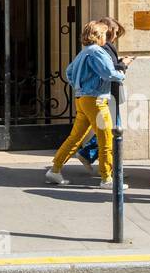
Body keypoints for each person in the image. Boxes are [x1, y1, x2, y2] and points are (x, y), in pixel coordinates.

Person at [45, 21, 131, 190]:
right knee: (106, 138)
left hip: (82, 99)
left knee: (75, 137)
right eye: (105, 35)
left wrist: (79, 86)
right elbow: (109, 74)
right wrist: (123, 70)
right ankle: (107, 178)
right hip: (96, 100)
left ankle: (55, 169)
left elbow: (69, 71)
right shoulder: (97, 52)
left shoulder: (84, 52)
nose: (107, 38)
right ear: (98, 36)